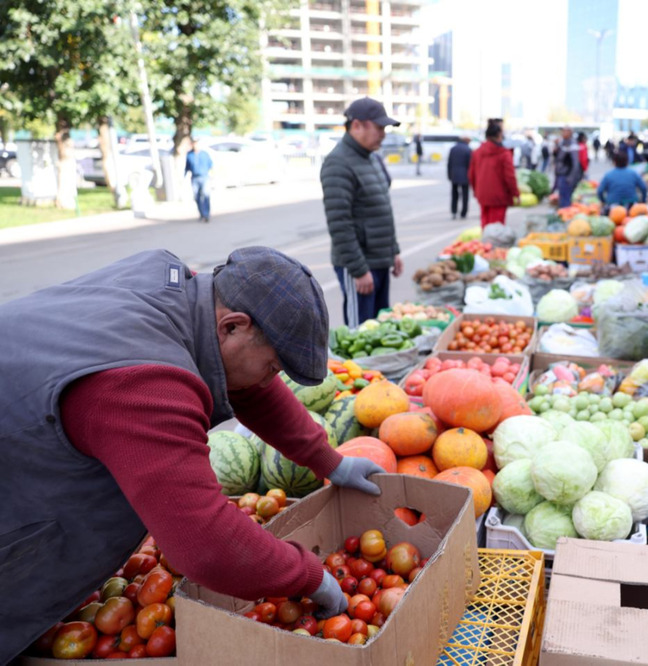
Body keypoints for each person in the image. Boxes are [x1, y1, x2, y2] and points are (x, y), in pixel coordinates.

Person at [0, 246, 386, 662]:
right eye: (273, 366)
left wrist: (329, 460)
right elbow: (206, 546)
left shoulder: (171, 285)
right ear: (233, 326)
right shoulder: (144, 384)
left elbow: (245, 384)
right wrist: (311, 578)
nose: (271, 378)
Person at [320, 97, 404, 328]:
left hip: (379, 259)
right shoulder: (338, 163)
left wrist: (393, 251)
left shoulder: (372, 158)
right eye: (379, 128)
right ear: (357, 125)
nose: (383, 134)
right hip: (360, 265)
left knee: (380, 330)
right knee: (361, 334)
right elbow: (339, 223)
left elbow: (381, 209)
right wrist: (358, 270)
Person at [468, 122, 519, 228]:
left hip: (483, 194)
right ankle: (492, 245)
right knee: (497, 228)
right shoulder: (504, 154)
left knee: (485, 224)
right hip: (499, 196)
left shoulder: (477, 152)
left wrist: (476, 191)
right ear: (499, 135)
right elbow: (510, 177)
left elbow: (471, 175)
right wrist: (515, 194)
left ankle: (485, 244)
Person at [553, 126, 583, 208]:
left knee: (565, 200)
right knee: (562, 198)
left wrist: (571, 178)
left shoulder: (572, 144)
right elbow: (557, 157)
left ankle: (566, 216)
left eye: (565, 131)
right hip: (561, 174)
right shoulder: (562, 143)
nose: (562, 133)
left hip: (566, 176)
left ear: (570, 132)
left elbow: (575, 163)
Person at [184, 138, 213, 222]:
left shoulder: (204, 154)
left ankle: (206, 214)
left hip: (204, 177)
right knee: (197, 197)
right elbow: (187, 167)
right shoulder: (189, 155)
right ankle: (202, 214)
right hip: (194, 178)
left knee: (206, 195)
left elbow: (210, 164)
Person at [447, 134, 472, 219]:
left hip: (454, 175)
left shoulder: (453, 149)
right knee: (465, 195)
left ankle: (454, 211)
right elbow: (470, 164)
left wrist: (449, 175)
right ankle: (463, 213)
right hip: (465, 175)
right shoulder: (468, 149)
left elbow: (449, 163)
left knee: (454, 194)